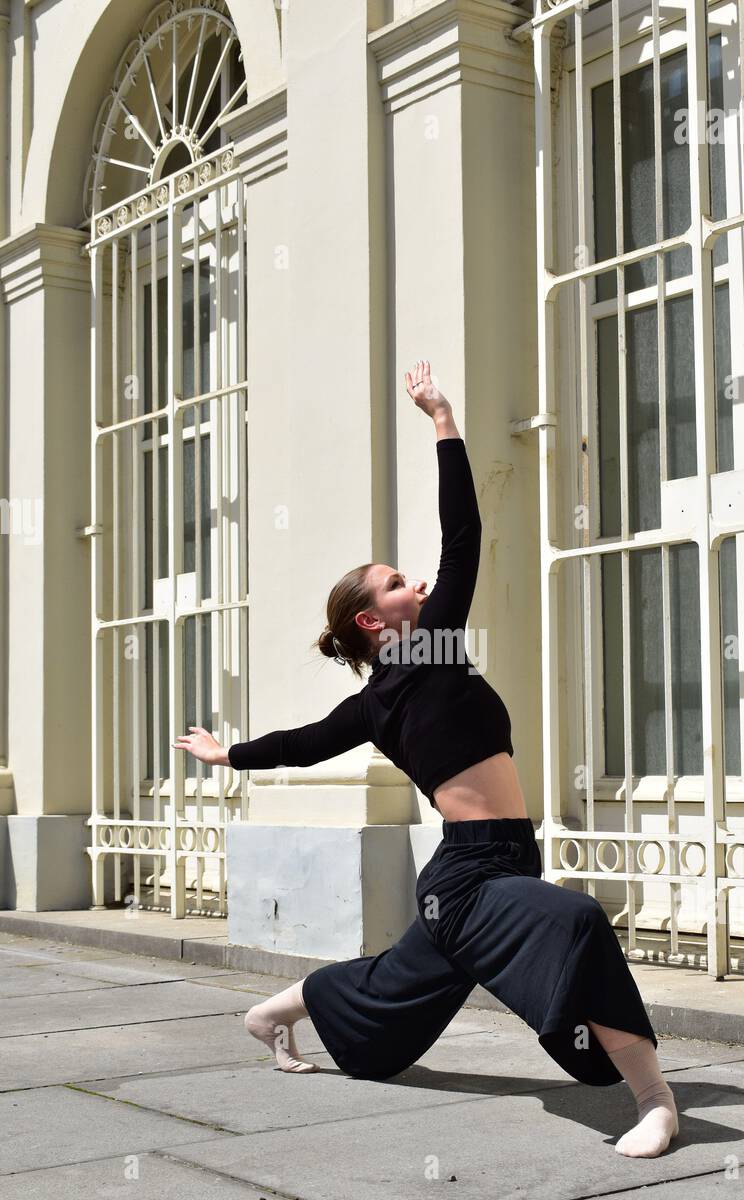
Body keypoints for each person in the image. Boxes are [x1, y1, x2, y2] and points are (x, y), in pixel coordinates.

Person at [174, 360, 679, 1159]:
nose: (419, 582)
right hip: (468, 875)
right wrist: (228, 752)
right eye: (398, 582)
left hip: (508, 855)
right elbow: (302, 745)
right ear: (376, 622)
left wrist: (446, 418)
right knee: (576, 923)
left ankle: (272, 1014)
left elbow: (462, 543)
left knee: (397, 987)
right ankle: (654, 1101)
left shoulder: (437, 651)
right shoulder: (389, 691)